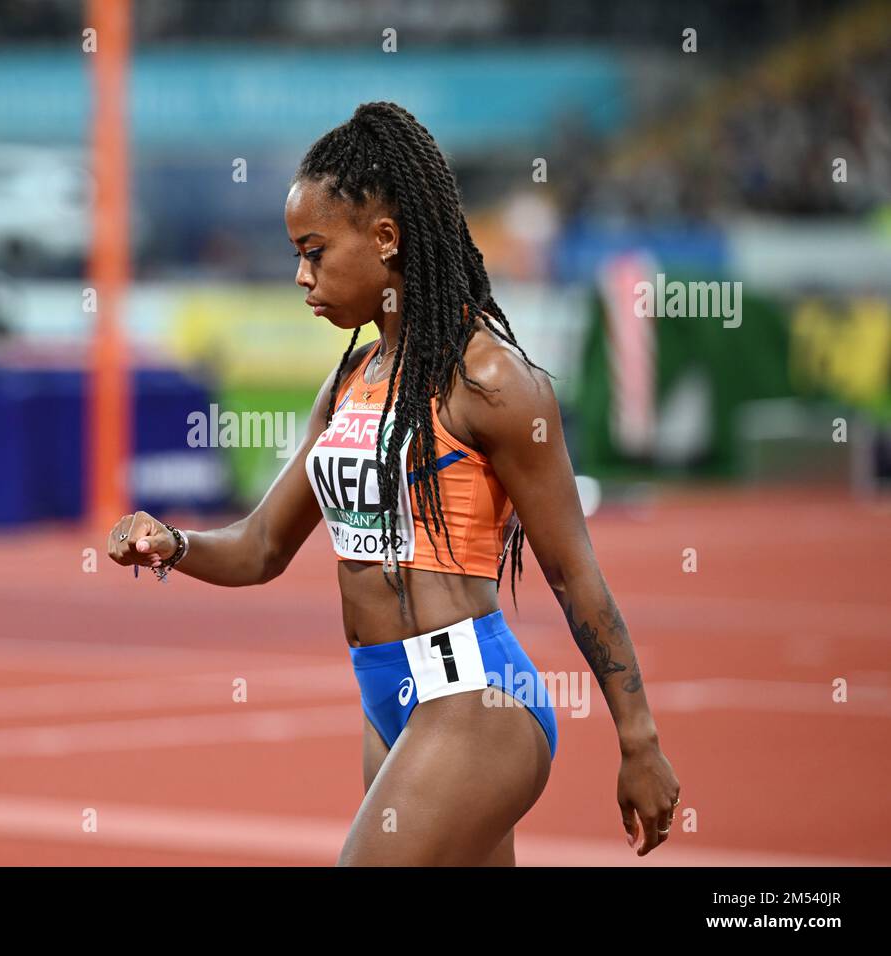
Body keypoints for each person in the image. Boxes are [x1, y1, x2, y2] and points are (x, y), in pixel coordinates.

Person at [107, 101, 679, 866]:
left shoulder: (492, 382)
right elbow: (262, 545)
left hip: (475, 699)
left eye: (314, 251)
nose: (301, 276)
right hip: (387, 702)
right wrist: (171, 544)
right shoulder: (349, 381)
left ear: (385, 238)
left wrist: (638, 741)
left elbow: (575, 575)